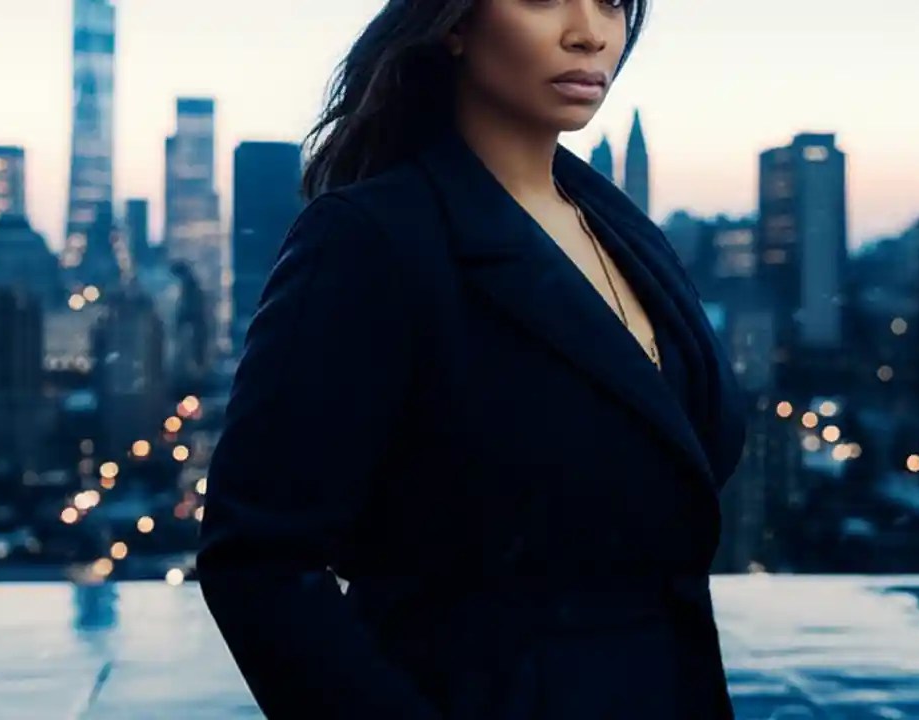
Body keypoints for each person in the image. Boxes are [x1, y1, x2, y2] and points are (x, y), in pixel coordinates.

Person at [196, 0, 748, 717]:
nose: (590, 32)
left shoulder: (625, 231)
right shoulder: (371, 239)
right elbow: (258, 562)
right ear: (454, 22)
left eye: (612, 0)